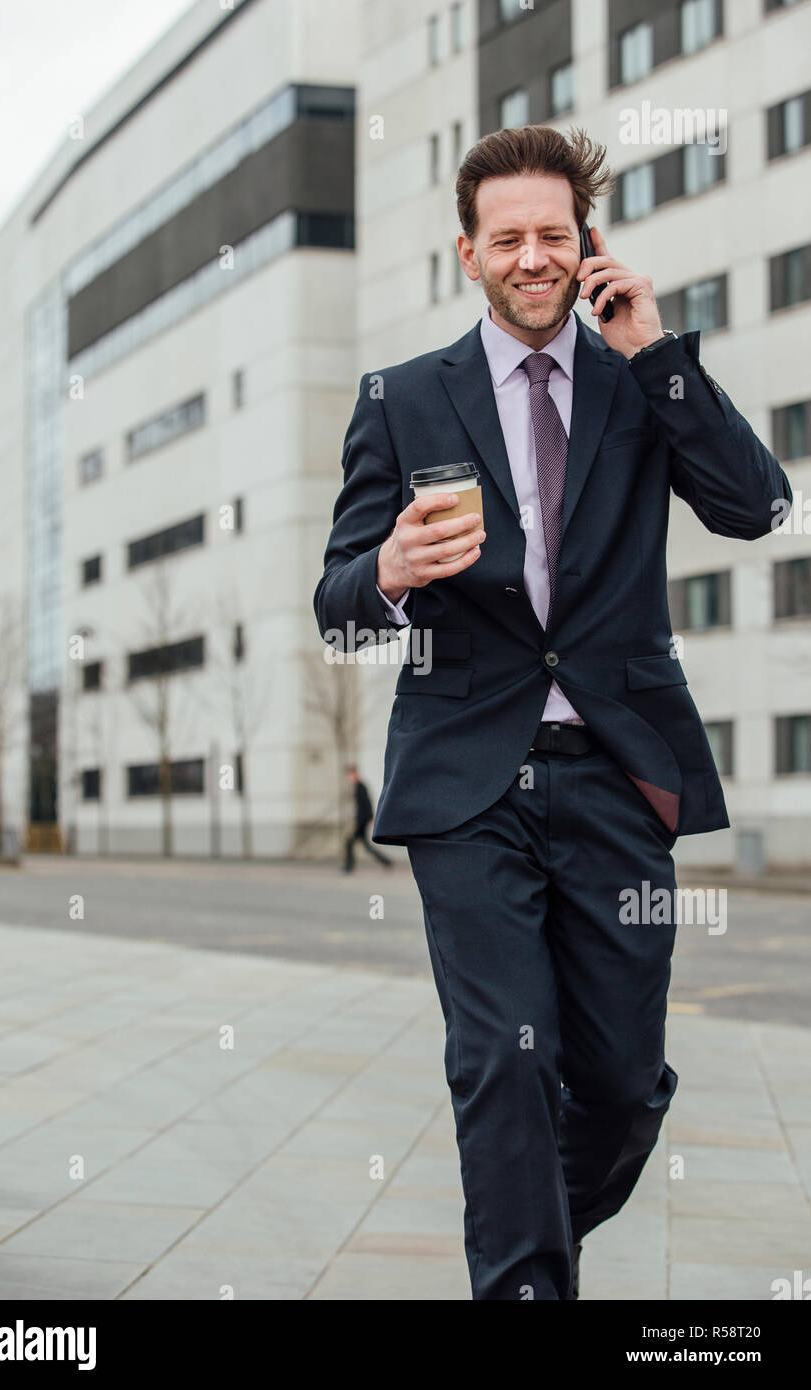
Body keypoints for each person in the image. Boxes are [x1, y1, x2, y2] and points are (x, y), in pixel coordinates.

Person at [313, 125, 792, 1300]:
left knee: (624, 1086)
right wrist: (392, 568)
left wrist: (657, 352)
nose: (532, 257)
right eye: (507, 238)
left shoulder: (643, 381)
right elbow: (337, 611)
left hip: (616, 771)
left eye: (553, 236)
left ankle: (525, 1243)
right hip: (465, 778)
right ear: (464, 252)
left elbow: (754, 507)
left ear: (585, 247)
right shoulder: (402, 399)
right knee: (503, 1060)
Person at [341, 764, 392, 873]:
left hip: (362, 821)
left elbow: (367, 803)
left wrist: (371, 818)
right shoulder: (358, 786)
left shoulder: (360, 786)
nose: (349, 777)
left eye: (350, 774)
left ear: (354, 773)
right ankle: (386, 861)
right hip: (362, 820)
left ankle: (349, 867)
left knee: (349, 842)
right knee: (366, 846)